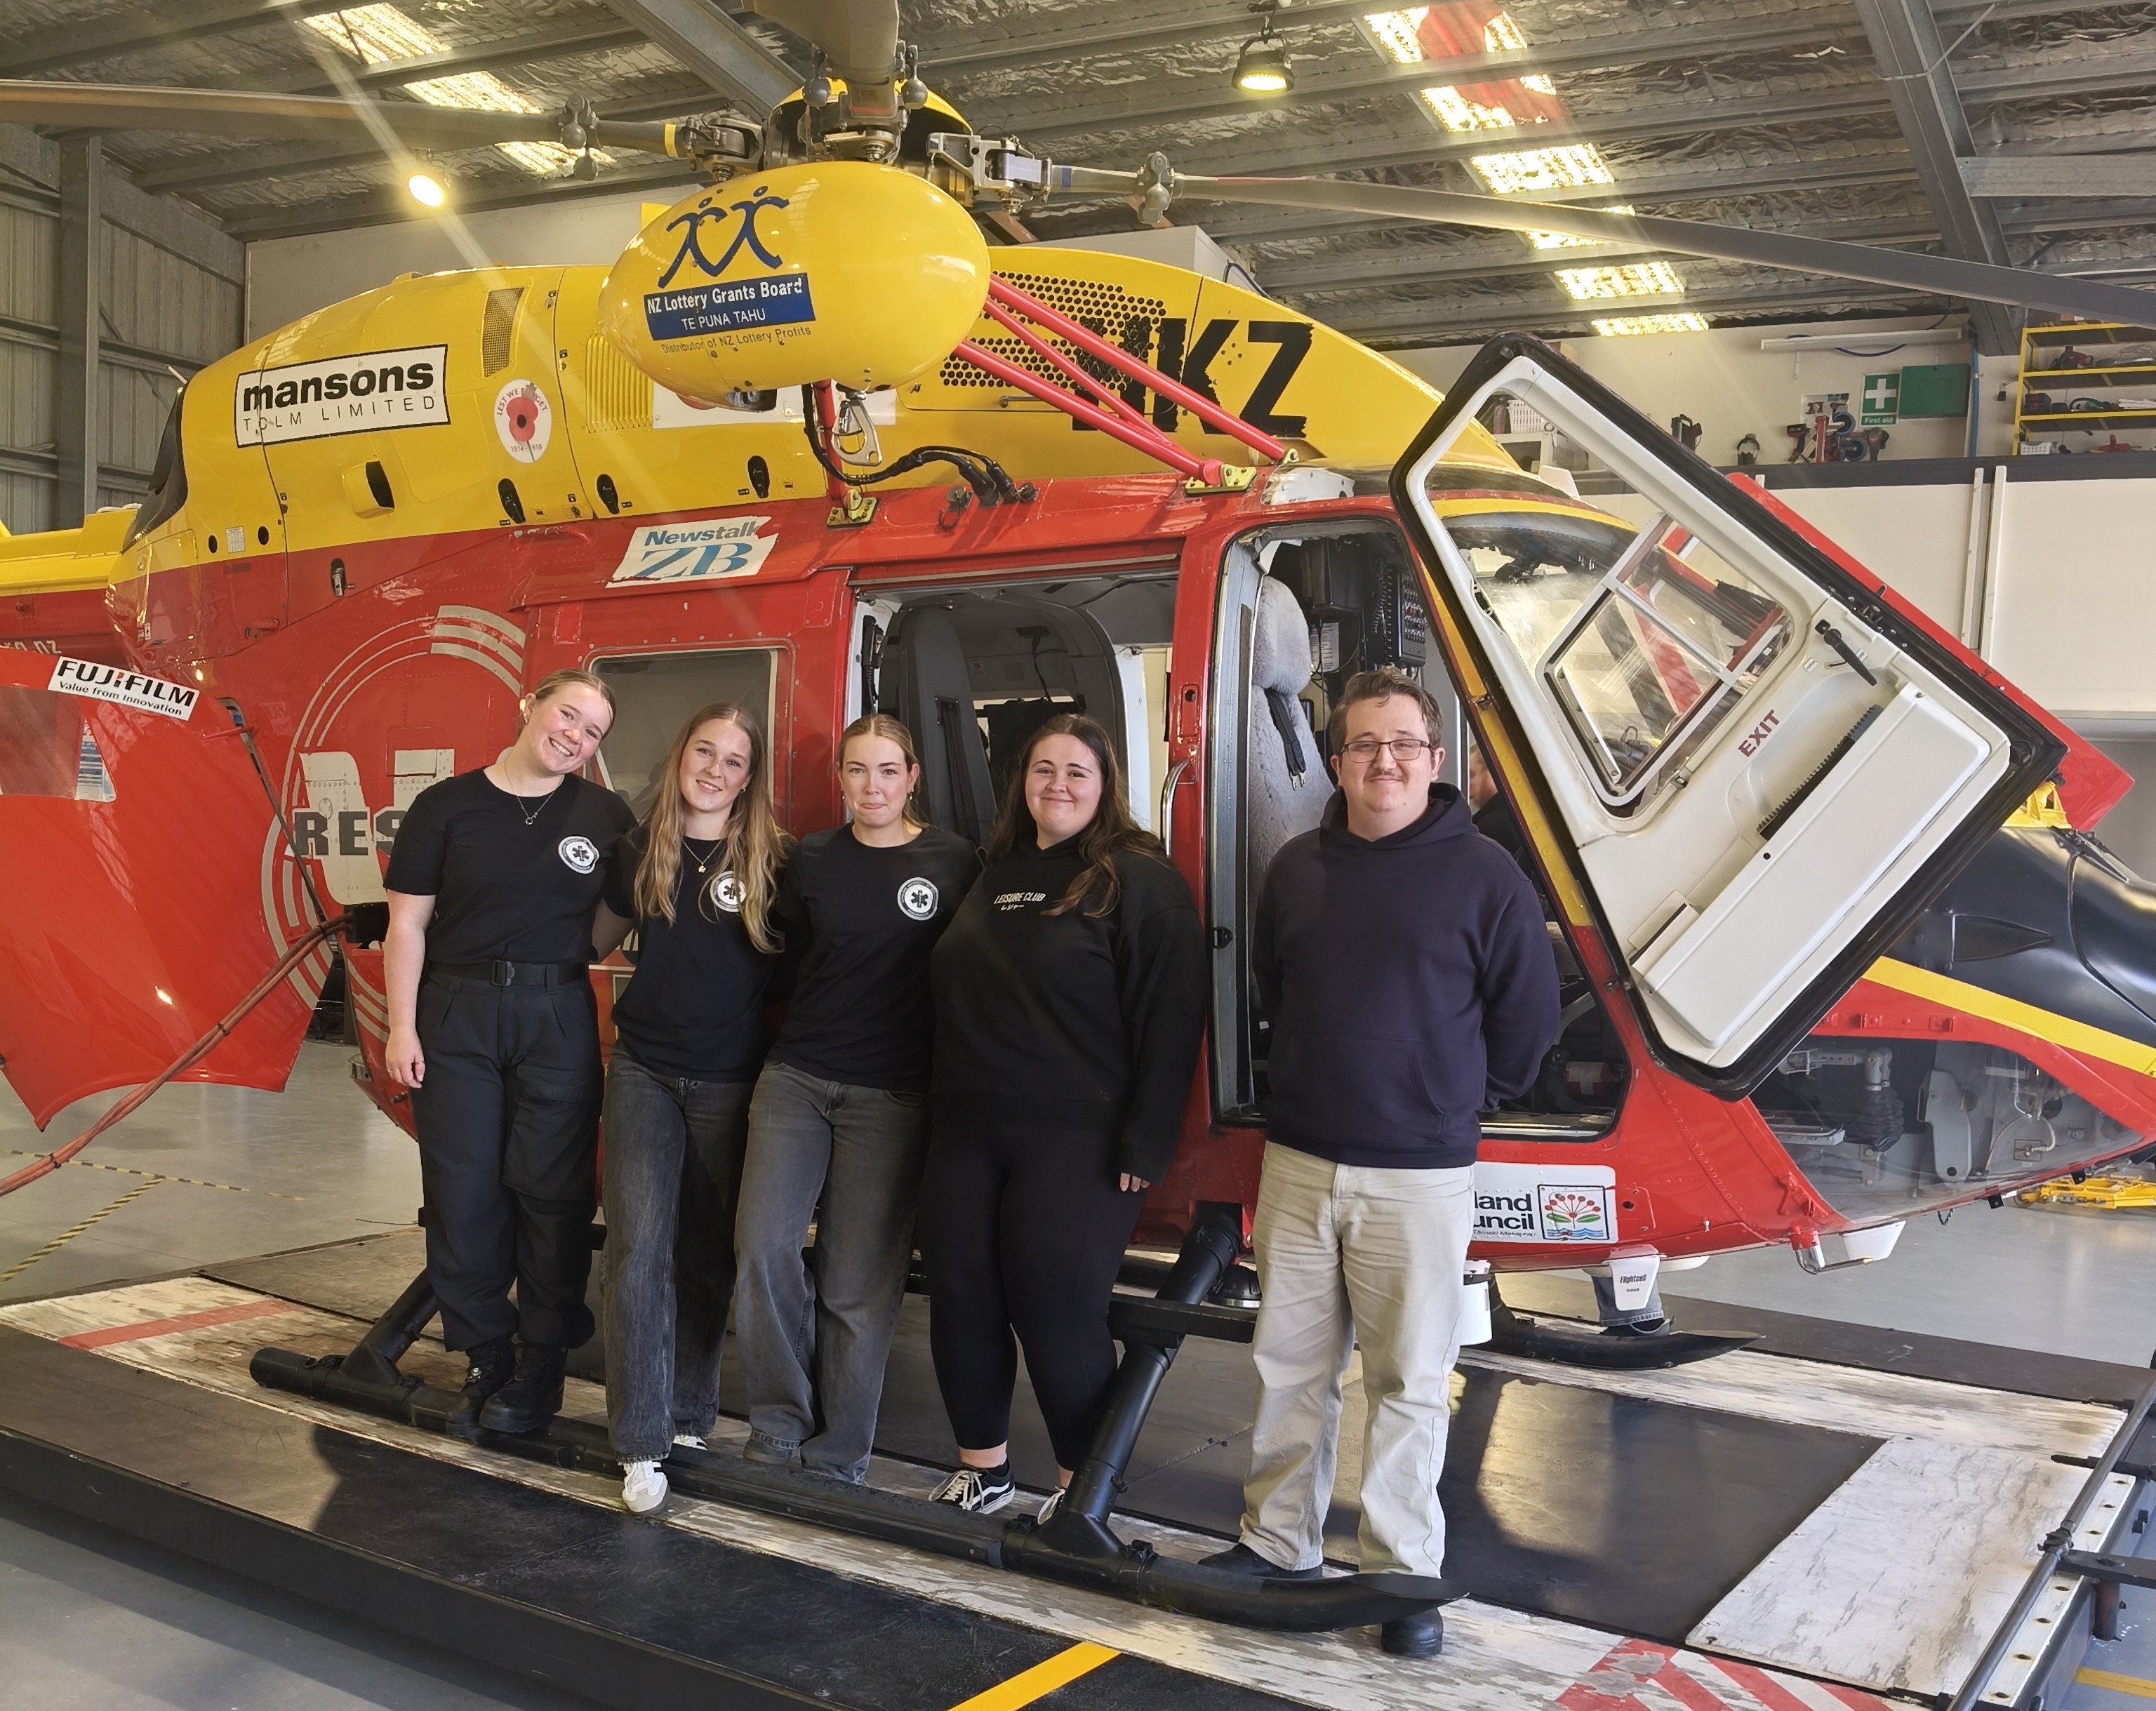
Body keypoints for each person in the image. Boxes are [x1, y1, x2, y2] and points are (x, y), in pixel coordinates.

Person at [1203, 668, 1559, 1660]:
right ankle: (1279, 1545)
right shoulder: (1297, 867)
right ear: (1336, 758)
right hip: (1302, 1159)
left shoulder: (1487, 875)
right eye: (1364, 743)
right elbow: (1276, 986)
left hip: (1419, 1172)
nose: (1384, 760)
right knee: (1291, 1368)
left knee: (1406, 1379)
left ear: (1436, 761)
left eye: (1403, 743)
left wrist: (1453, 1097)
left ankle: (1400, 1572)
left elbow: (1526, 1023)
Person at [919, 713, 1208, 1519]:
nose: (1058, 785)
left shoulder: (1137, 878)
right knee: (962, 1292)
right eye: (1042, 769)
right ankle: (983, 1467)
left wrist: (1148, 1139)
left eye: (1077, 771)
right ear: (1021, 782)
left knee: (1054, 1301)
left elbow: (1172, 1015)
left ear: (1106, 783)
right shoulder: (990, 869)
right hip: (968, 1128)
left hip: (1076, 1137)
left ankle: (1081, 1486)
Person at [382, 669, 637, 1436]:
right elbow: (408, 926)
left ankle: (543, 1358)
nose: (575, 736)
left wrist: (555, 963)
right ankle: (486, 1349)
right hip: (454, 1010)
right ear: (532, 707)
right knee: (462, 1189)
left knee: (552, 1192)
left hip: (555, 1008)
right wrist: (402, 1025)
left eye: (593, 732)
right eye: (568, 715)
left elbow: (615, 914)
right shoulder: (446, 806)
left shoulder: (604, 814)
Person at [731, 715, 980, 1483]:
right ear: (839, 779)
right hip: (799, 1077)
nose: (871, 786)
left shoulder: (955, 861)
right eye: (856, 771)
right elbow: (780, 958)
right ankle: (779, 1418)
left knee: (855, 1282)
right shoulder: (810, 858)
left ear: (912, 778)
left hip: (893, 1095)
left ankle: (841, 1451)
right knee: (762, 1247)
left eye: (886, 771)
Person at [600, 702, 789, 1514]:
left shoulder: (775, 861)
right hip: (643, 1068)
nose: (716, 768)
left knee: (706, 1256)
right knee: (637, 1249)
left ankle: (687, 1414)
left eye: (734, 759)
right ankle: (641, 1443)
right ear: (681, 757)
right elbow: (590, 935)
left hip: (729, 1081)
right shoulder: (640, 849)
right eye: (704, 751)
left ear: (751, 778)